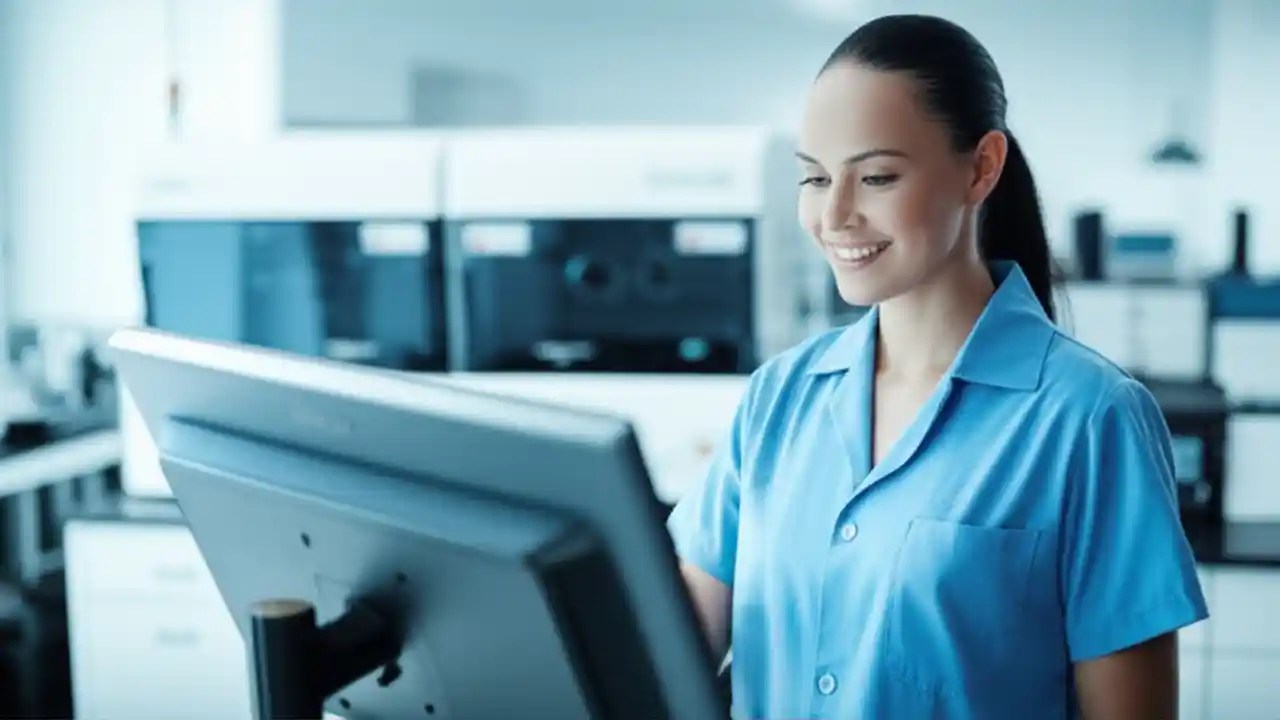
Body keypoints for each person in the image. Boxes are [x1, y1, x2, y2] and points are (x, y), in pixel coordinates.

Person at [668, 13, 1208, 720]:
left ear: (981, 167)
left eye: (877, 176)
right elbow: (658, 655)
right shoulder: (779, 397)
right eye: (815, 178)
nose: (834, 215)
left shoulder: (1089, 418)